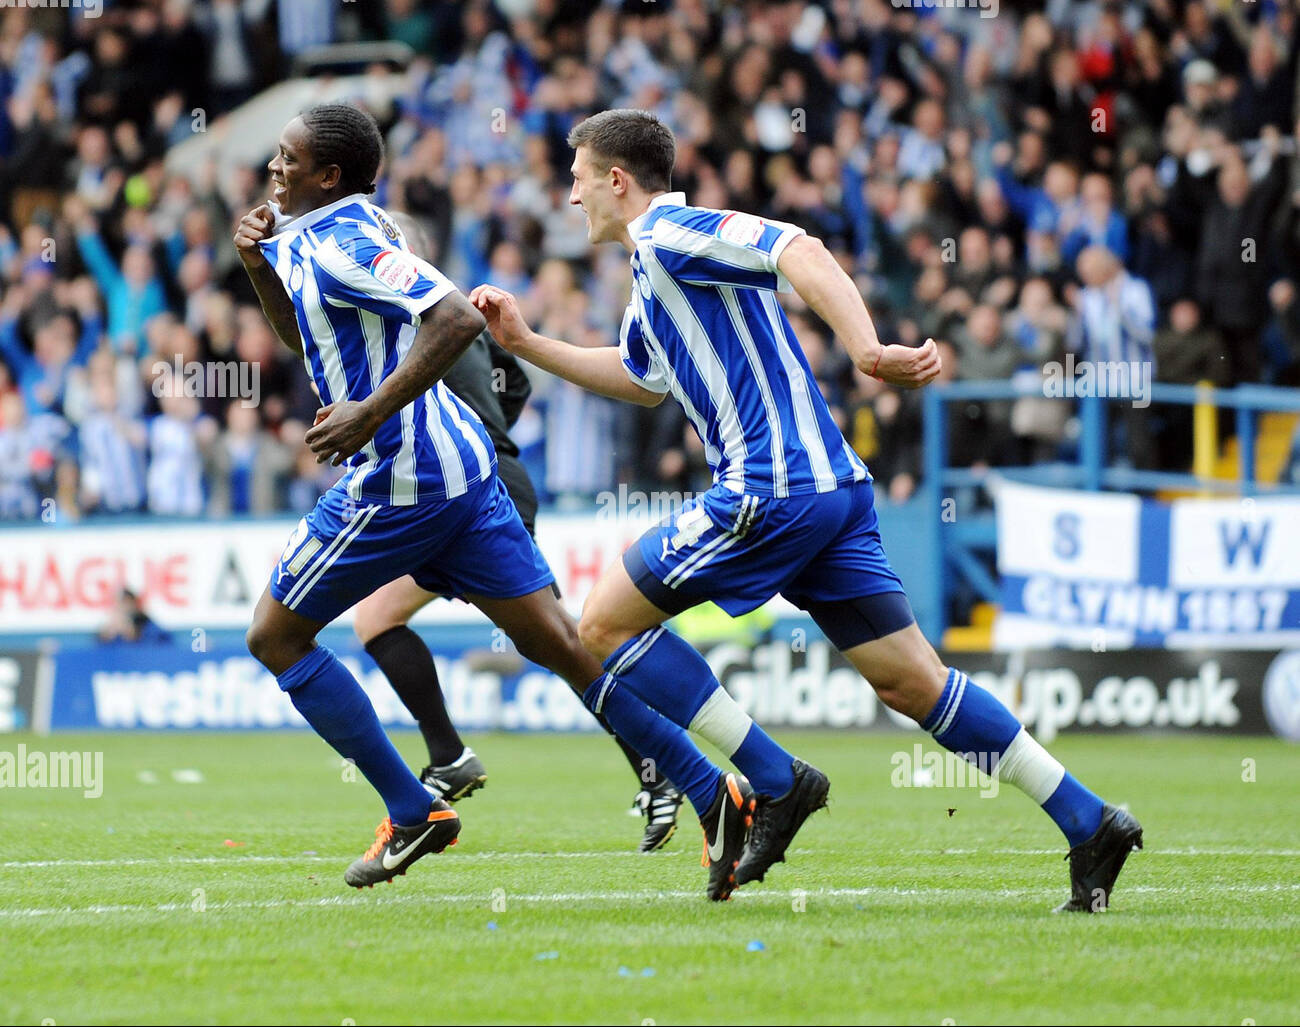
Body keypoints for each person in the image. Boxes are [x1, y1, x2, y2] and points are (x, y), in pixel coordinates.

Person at [471, 109, 1143, 913]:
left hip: (771, 487)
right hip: (832, 490)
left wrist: (865, 349)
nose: (571, 197)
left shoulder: (674, 231)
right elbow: (641, 376)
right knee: (913, 683)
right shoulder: (652, 276)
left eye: (577, 180)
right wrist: (526, 341)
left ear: (617, 180)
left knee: (603, 624)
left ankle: (775, 781)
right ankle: (1088, 820)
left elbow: (800, 247)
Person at [236, 104, 733, 896]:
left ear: (328, 175)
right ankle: (713, 791)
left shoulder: (351, 240)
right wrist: (261, 268)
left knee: (275, 636)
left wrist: (370, 410)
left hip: (403, 480)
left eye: (288, 157)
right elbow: (311, 341)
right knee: (564, 646)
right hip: (467, 473)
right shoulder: (316, 235)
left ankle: (413, 808)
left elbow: (458, 317)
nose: (275, 167)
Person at [350, 212, 684, 852]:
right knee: (387, 619)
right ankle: (450, 754)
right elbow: (516, 380)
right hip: (489, 472)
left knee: (561, 639)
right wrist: (487, 430)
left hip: (466, 485)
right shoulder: (454, 308)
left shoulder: (398, 308)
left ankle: (661, 763)